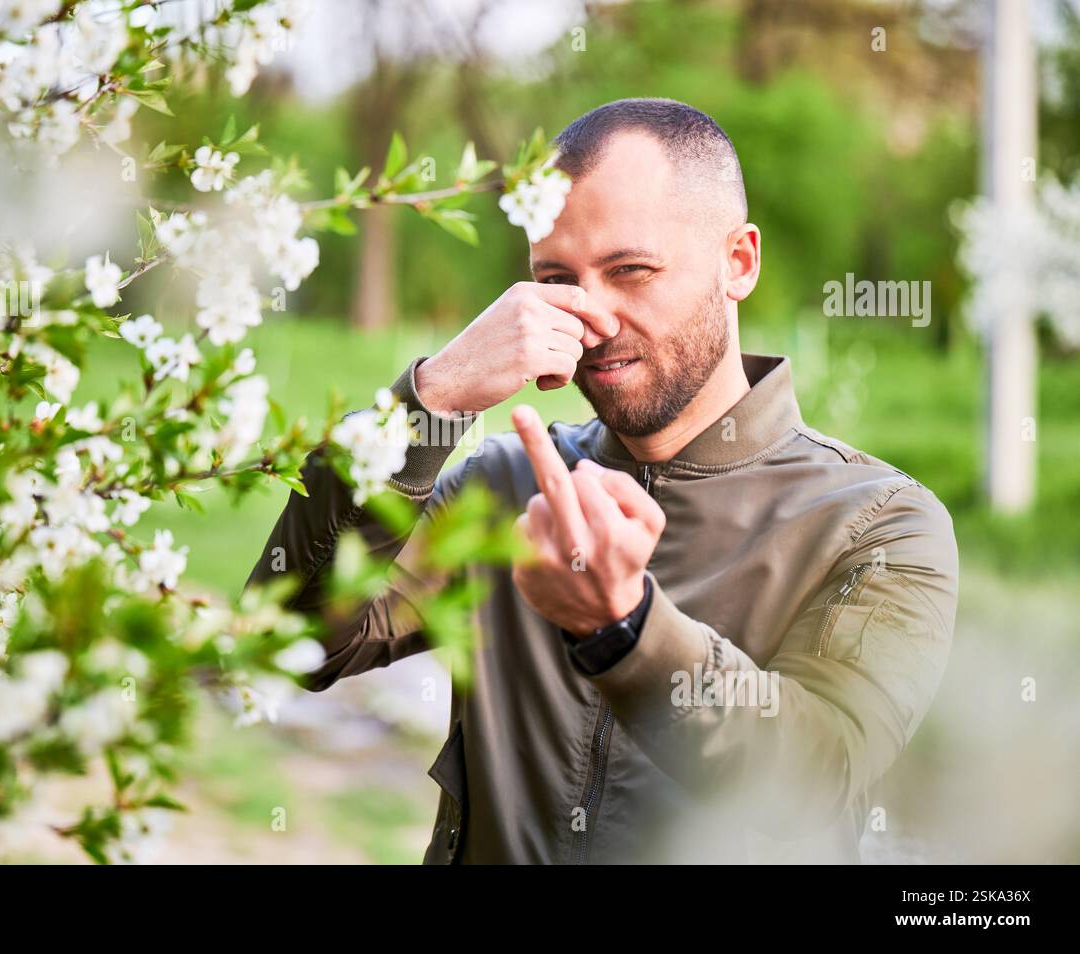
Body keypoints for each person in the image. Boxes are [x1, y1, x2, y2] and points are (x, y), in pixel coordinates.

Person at [246, 98, 959, 864]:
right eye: (558, 280)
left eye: (631, 271)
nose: (597, 319)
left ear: (738, 263)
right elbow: (290, 640)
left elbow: (811, 777)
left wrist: (625, 630)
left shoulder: (879, 525)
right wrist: (429, 400)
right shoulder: (501, 487)